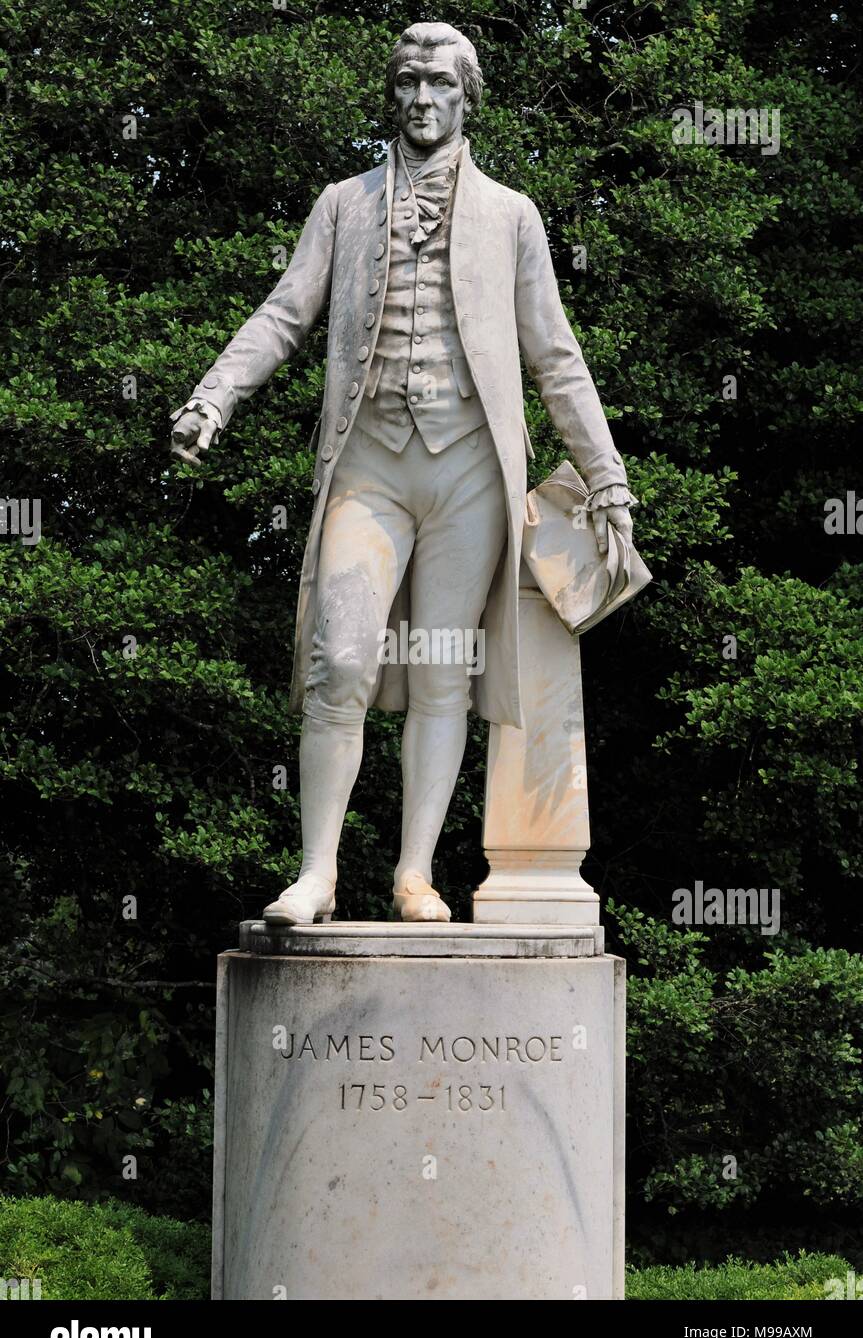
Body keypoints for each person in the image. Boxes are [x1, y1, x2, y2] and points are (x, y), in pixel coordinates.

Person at [170, 21, 635, 926]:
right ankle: (317, 874)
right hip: (368, 464)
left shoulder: (512, 215)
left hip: (467, 471)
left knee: (441, 672)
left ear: (467, 98)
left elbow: (555, 355)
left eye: (440, 87)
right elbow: (282, 313)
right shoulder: (342, 204)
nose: (423, 101)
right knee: (338, 658)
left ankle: (413, 874)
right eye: (409, 84)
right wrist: (212, 396)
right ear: (393, 94)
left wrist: (605, 477)